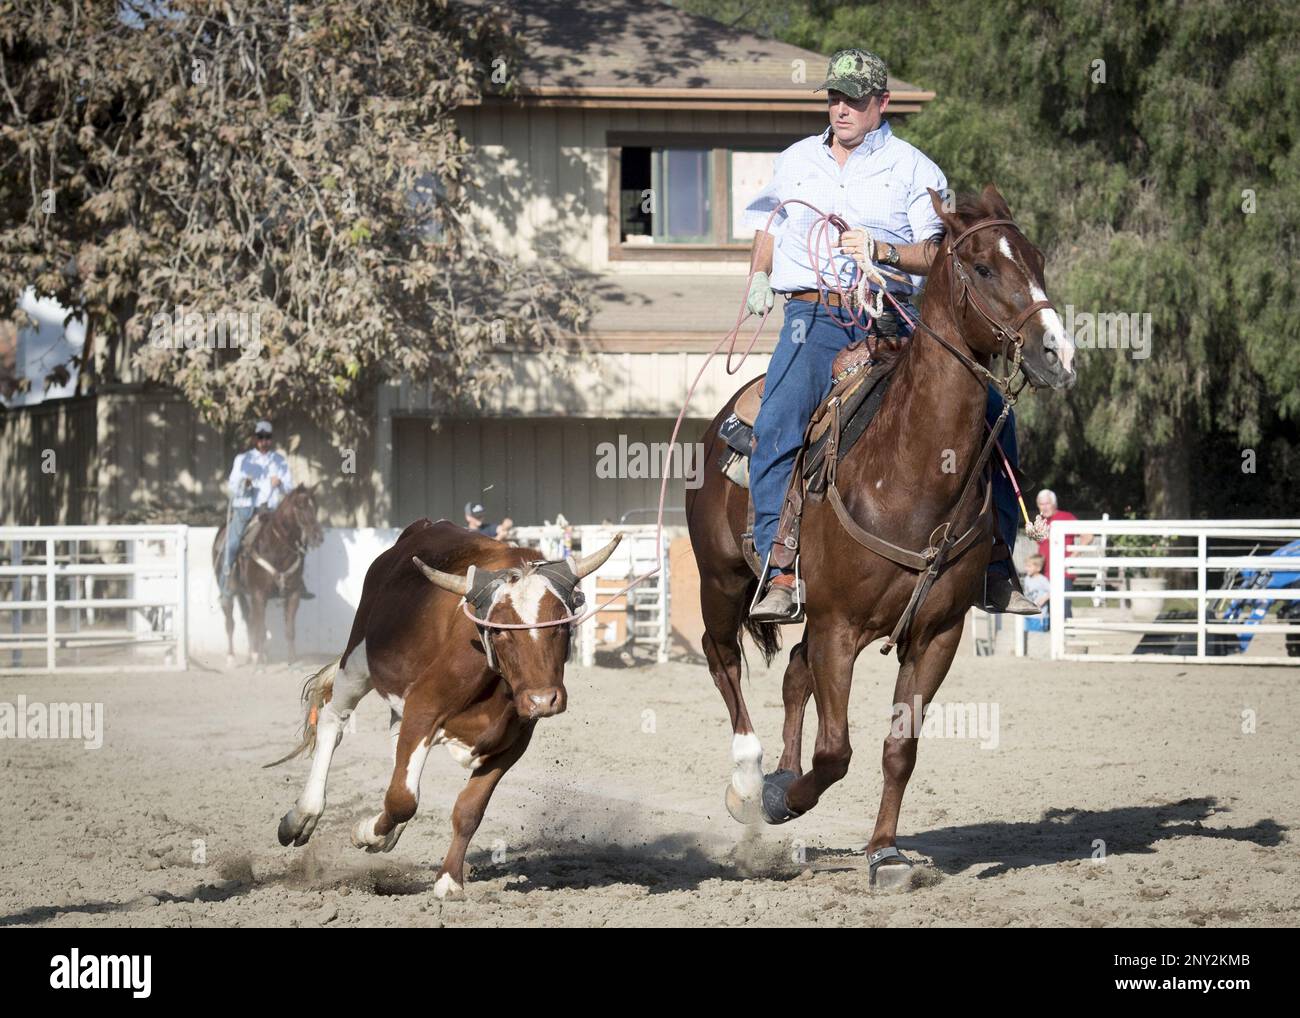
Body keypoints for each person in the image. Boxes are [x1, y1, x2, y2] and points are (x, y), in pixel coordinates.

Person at [743, 47, 1036, 621]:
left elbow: (937, 251)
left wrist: (880, 249)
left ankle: (996, 566)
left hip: (894, 313)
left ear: (881, 103)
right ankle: (778, 565)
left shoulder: (915, 168)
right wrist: (758, 276)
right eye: (834, 97)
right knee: (778, 422)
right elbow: (768, 226)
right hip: (813, 315)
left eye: (854, 99)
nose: (841, 109)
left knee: (998, 416)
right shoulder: (794, 160)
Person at [222, 420, 312, 598]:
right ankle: (227, 580)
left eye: (268, 437)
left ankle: (297, 581)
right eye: (261, 437)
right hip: (248, 509)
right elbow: (232, 487)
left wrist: (280, 485)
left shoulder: (279, 461)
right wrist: (245, 484)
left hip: (271, 511)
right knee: (232, 543)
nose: (264, 441)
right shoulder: (243, 460)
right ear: (256, 438)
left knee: (297, 539)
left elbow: (289, 488)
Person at [1033, 489, 1088, 619]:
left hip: (1063, 571)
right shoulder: (1040, 521)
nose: (1044, 507)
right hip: (1044, 573)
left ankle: (1069, 637)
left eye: (1047, 503)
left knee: (1063, 609)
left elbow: (1088, 536)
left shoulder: (1066, 517)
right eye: (1041, 504)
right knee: (1048, 612)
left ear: (1054, 503)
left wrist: (1071, 557)